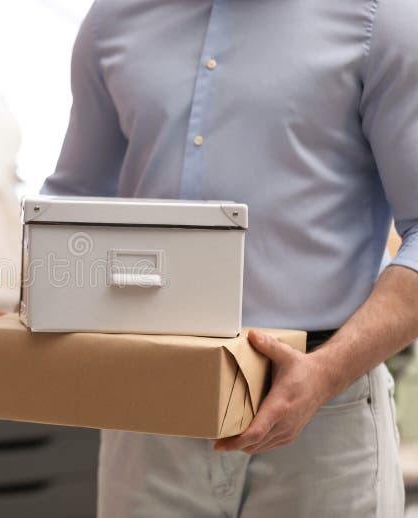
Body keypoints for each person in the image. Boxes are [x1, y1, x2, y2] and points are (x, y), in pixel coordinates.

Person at [40, 1, 418, 516]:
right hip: (147, 417)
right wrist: (35, 300)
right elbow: (73, 205)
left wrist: (327, 372)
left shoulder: (381, 17)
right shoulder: (113, 19)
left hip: (326, 420)